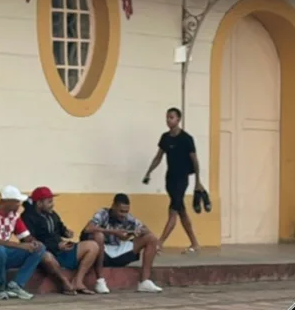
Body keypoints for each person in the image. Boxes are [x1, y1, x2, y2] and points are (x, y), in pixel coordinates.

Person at [142, 107, 205, 255]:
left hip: (182, 180)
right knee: (181, 212)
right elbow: (158, 157)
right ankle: (195, 243)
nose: (168, 120)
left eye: (171, 117)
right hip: (170, 179)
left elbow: (195, 161)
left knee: (172, 211)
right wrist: (149, 172)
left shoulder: (186, 139)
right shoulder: (165, 138)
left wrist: (198, 181)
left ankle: (159, 243)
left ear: (178, 119)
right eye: (167, 117)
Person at [0, 185, 46, 300]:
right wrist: (21, 246)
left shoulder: (14, 216)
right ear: (6, 201)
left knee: (40, 249)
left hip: (3, 255)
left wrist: (34, 242)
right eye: (16, 201)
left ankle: (16, 285)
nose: (19, 204)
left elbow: (26, 236)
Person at [21, 187, 98, 295]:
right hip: (47, 253)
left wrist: (66, 232)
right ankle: (65, 283)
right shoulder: (27, 217)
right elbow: (32, 241)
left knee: (93, 246)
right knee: (45, 256)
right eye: (49, 202)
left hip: (61, 249)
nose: (52, 204)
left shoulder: (52, 214)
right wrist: (56, 246)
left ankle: (78, 281)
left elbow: (60, 228)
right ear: (39, 203)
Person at [85, 194, 162, 293]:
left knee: (151, 238)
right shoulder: (103, 213)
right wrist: (114, 232)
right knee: (98, 235)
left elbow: (145, 229)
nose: (123, 215)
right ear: (113, 206)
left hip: (119, 250)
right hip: (102, 252)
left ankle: (144, 281)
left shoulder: (128, 218)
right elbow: (88, 228)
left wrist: (137, 232)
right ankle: (100, 281)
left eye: (126, 211)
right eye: (121, 211)